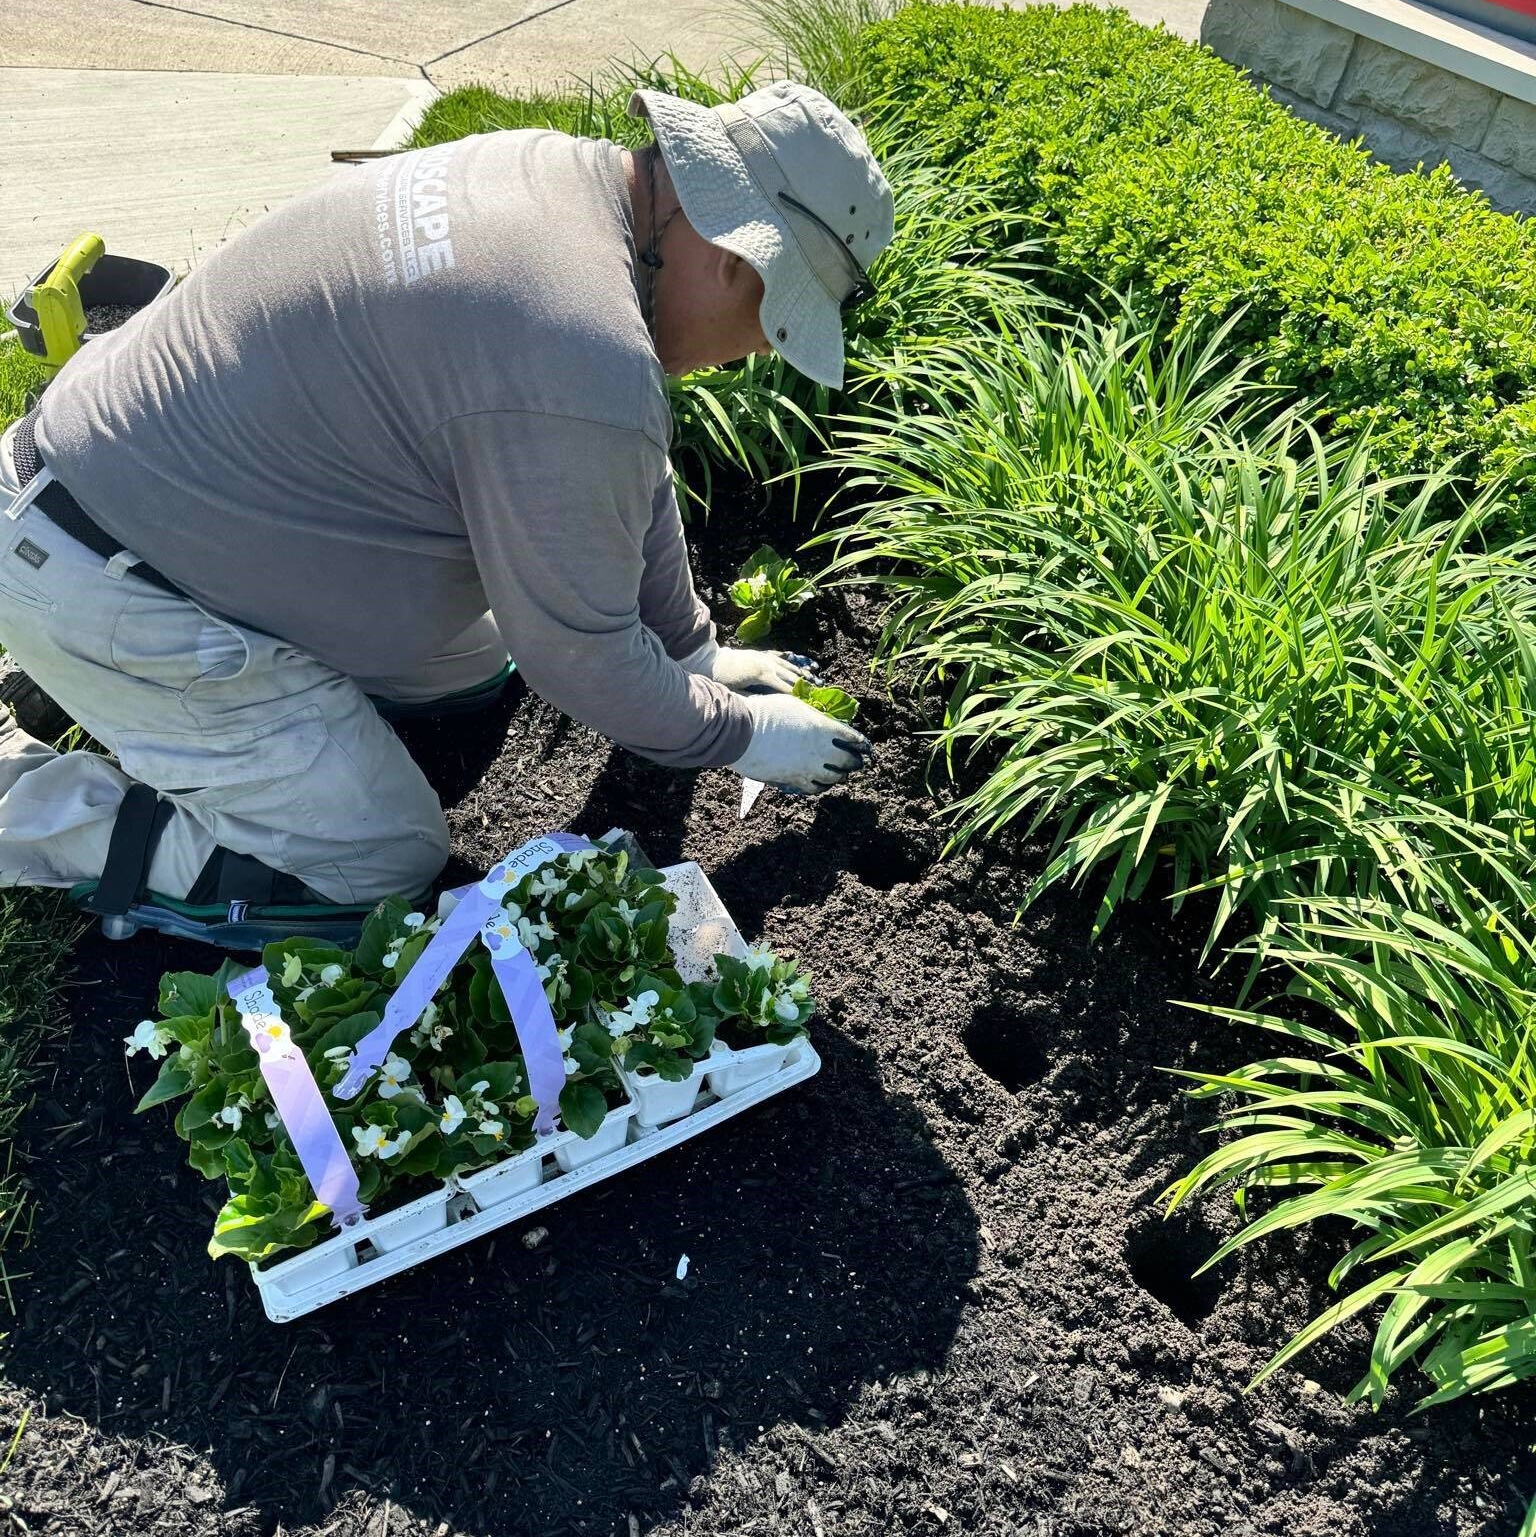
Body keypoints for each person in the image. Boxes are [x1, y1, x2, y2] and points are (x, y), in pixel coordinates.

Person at [0, 80, 889, 940]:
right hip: (105, 575)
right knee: (375, 868)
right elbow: (580, 659)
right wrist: (736, 737)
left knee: (470, 671)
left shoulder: (558, 182)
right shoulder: (576, 349)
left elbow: (625, 466)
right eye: (775, 325)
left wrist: (693, 653)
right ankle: (35, 799)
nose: (744, 360)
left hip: (143, 493)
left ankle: (124, 693)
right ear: (737, 260)